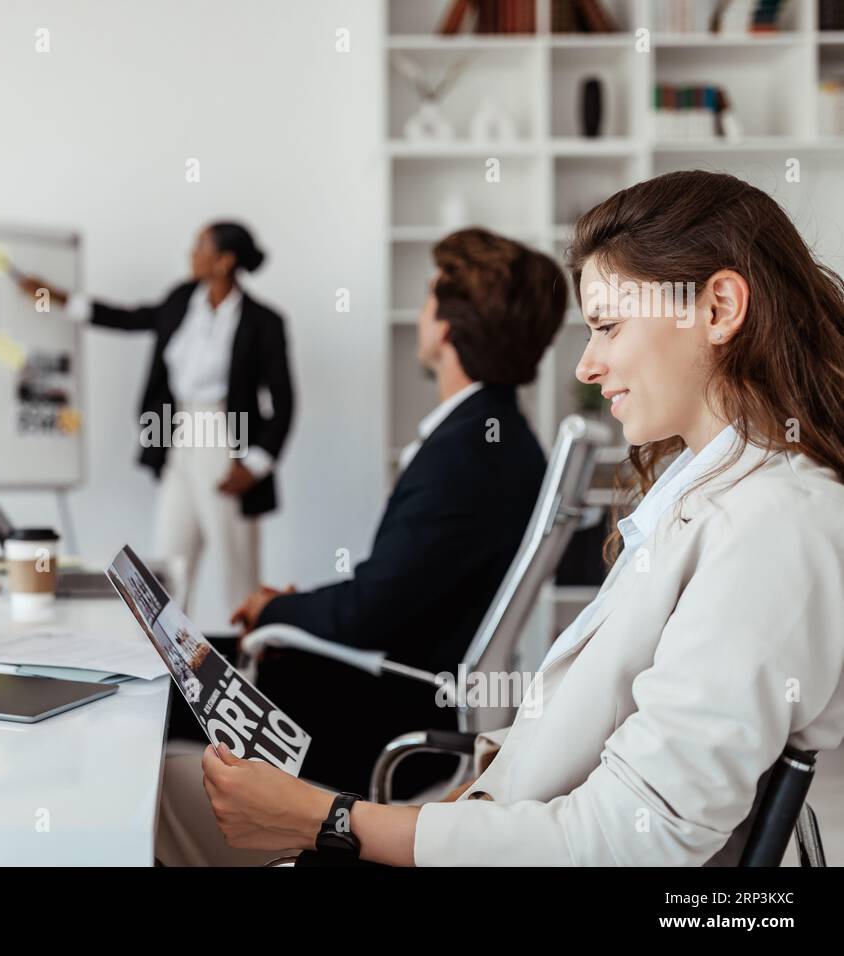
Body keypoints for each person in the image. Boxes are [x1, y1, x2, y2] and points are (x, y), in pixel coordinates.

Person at [195, 170, 844, 866]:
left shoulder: (775, 528)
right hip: (487, 830)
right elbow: (582, 744)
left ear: (717, 308)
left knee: (164, 810)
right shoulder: (705, 499)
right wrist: (409, 819)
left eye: (608, 326)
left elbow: (627, 839)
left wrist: (331, 820)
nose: (587, 367)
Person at [214, 229, 568, 800]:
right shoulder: (496, 438)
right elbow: (392, 596)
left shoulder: (468, 453)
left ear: (446, 326)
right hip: (395, 690)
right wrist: (294, 615)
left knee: (169, 691)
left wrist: (275, 608)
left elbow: (367, 613)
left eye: (430, 296)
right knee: (194, 661)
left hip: (383, 723)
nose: (424, 311)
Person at [19, 222, 293, 623]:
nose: (191, 254)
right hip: (177, 431)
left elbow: (285, 401)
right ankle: (170, 672)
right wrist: (55, 298)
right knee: (168, 565)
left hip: (224, 434)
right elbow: (129, 318)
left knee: (238, 571)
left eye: (200, 246)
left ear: (225, 260)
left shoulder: (263, 321)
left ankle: (251, 668)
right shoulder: (183, 299)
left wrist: (254, 466)